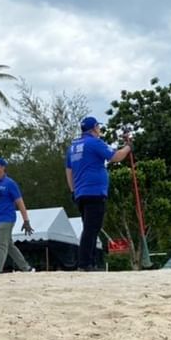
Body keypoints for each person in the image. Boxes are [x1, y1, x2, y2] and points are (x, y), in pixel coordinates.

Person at [65, 116, 132, 271]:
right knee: (91, 229)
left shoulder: (73, 147)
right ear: (94, 128)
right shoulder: (94, 143)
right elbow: (115, 157)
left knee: (90, 227)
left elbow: (69, 171)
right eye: (98, 127)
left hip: (80, 193)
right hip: (94, 191)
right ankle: (84, 263)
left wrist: (73, 190)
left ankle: (91, 262)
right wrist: (128, 147)